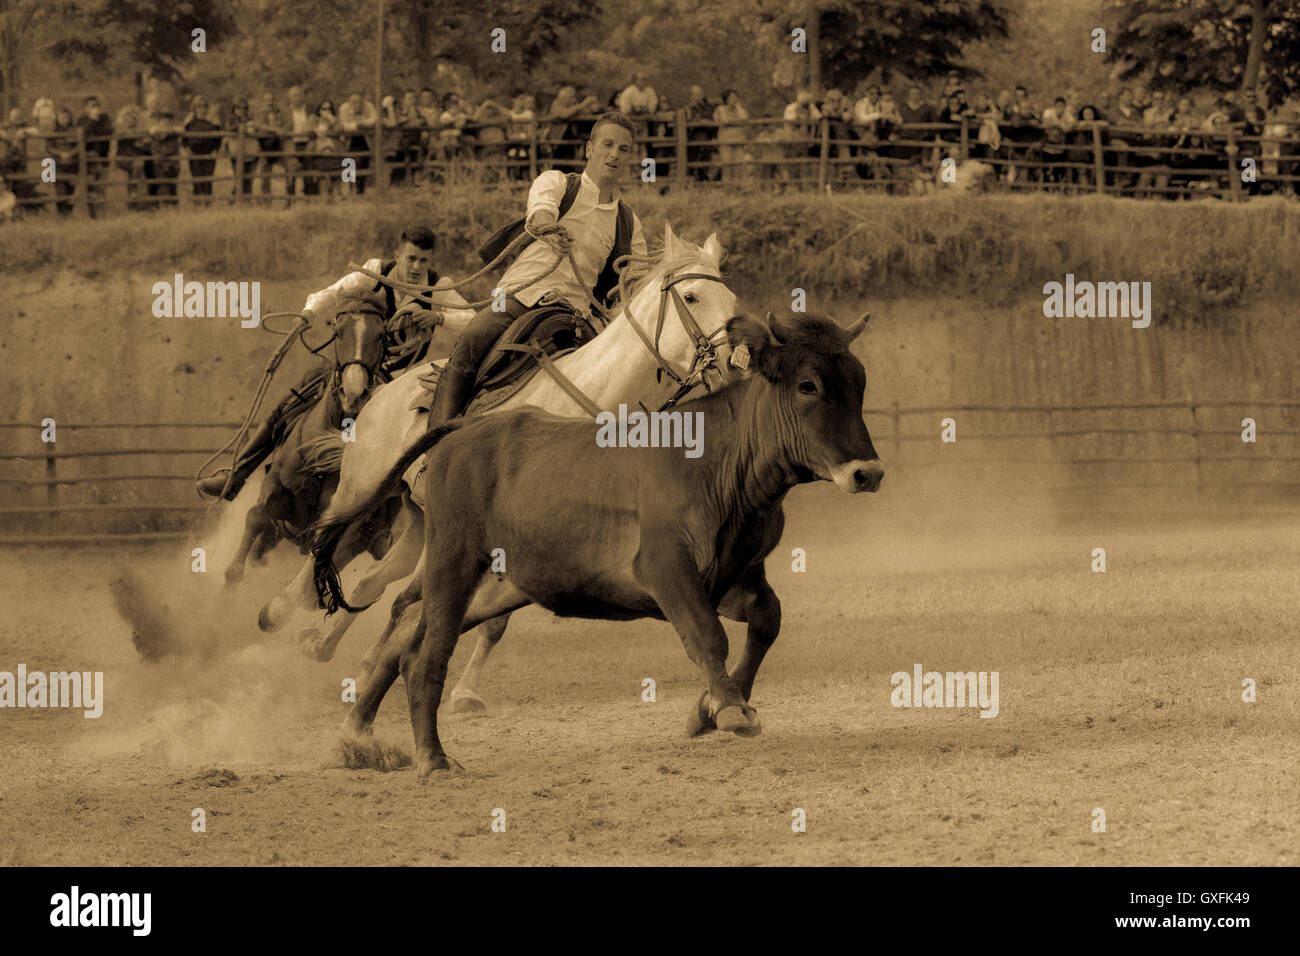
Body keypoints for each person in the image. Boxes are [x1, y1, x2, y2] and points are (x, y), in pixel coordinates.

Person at [197, 225, 473, 500]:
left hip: (399, 380)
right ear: (397, 254)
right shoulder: (374, 272)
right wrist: (309, 312)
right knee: (292, 401)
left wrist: (440, 318)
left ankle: (403, 503)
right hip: (356, 365)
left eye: (423, 260)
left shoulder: (438, 287)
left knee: (414, 434)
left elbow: (472, 320)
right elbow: (334, 291)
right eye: (411, 258)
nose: (416, 267)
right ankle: (235, 476)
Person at [423, 111, 649, 430]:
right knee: (471, 341)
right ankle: (437, 442)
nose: (614, 154)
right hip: (518, 298)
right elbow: (540, 211)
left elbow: (635, 282)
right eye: (608, 144)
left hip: (576, 316)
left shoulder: (629, 222)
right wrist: (548, 228)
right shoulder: (557, 182)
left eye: (624, 149)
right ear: (589, 148)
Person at [77, 96, 113, 217]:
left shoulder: (104, 118)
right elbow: (84, 133)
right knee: (91, 189)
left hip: (103, 159)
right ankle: (93, 216)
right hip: (89, 161)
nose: (96, 108)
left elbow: (108, 131)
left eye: (97, 105)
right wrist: (92, 120)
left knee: (101, 188)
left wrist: (96, 122)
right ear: (85, 108)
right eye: (92, 105)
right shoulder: (81, 120)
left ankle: (101, 216)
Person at [183, 94, 223, 200]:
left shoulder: (212, 122)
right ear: (194, 108)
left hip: (209, 154)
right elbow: (183, 138)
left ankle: (208, 201)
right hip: (194, 154)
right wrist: (187, 149)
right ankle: (197, 201)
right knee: (196, 178)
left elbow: (219, 138)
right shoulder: (190, 123)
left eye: (204, 106)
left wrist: (216, 150)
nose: (202, 108)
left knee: (208, 178)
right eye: (199, 106)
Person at [713, 89, 749, 181]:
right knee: (727, 166)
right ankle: (728, 190)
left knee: (738, 166)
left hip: (739, 140)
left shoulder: (739, 109)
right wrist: (737, 121)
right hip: (726, 141)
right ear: (726, 99)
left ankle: (737, 189)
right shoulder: (720, 109)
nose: (734, 99)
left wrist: (738, 106)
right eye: (732, 97)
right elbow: (724, 121)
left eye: (736, 97)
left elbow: (745, 118)